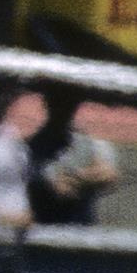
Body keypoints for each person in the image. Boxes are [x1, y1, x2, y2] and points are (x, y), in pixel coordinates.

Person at [27, 88, 120, 226]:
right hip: (45, 227)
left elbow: (109, 176)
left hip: (82, 227)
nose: (64, 108)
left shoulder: (91, 144)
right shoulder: (29, 148)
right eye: (59, 102)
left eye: (69, 102)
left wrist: (79, 177)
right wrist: (48, 184)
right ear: (47, 103)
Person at [0, 89, 34, 235]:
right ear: (9, 110)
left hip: (13, 242)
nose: (38, 117)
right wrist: (7, 218)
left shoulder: (22, 150)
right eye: (28, 111)